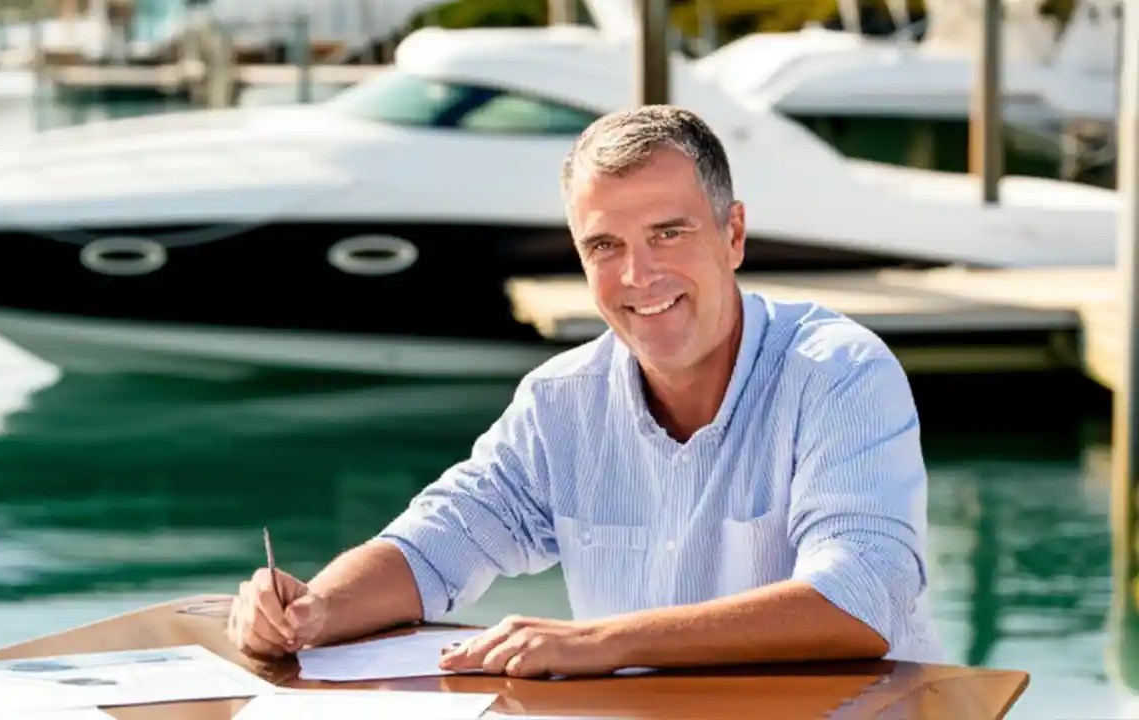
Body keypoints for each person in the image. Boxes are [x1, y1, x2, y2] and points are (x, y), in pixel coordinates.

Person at [227, 105, 943, 676]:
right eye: (605, 246)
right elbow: (435, 545)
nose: (638, 275)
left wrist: (600, 642)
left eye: (669, 233)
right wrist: (314, 611)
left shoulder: (839, 372)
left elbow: (862, 599)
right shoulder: (560, 401)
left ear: (733, 235)